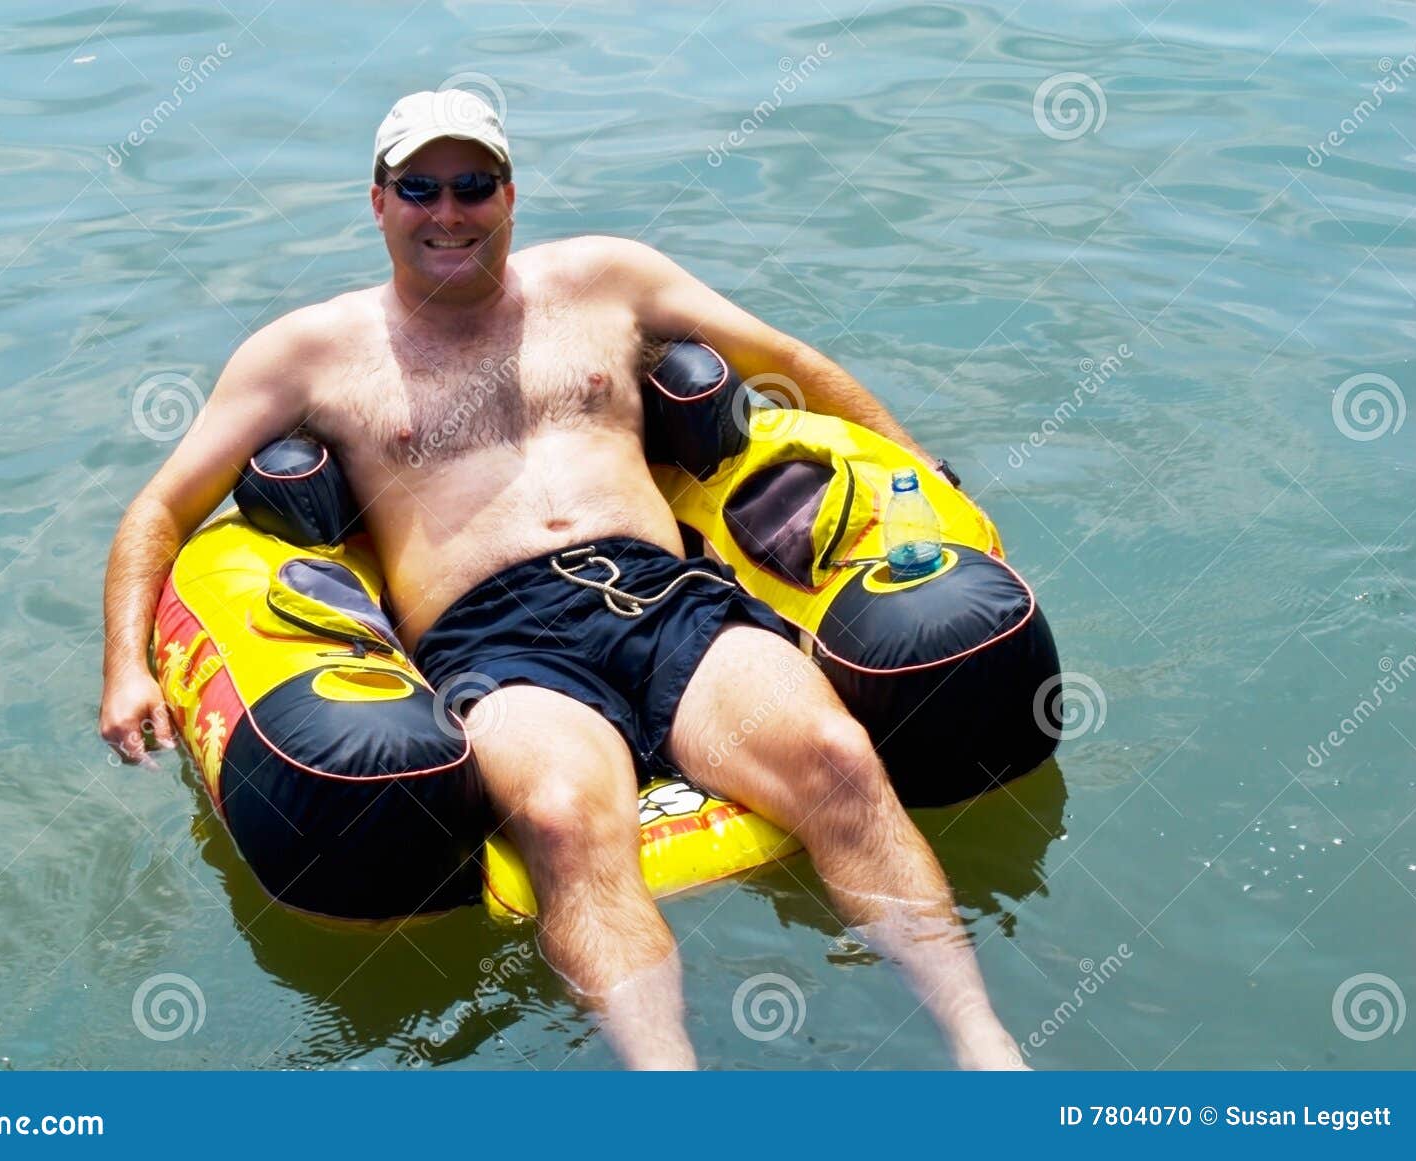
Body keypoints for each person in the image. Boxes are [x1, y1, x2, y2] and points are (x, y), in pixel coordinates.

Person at [100, 89, 1024, 1070]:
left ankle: (982, 1046)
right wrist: (126, 670)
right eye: (420, 188)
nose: (448, 212)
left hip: (662, 600)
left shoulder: (606, 279)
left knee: (837, 757)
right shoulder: (308, 352)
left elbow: (790, 363)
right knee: (560, 819)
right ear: (378, 201)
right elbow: (161, 510)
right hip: (492, 643)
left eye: (472, 185)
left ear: (509, 192)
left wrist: (922, 481)